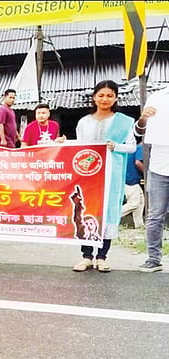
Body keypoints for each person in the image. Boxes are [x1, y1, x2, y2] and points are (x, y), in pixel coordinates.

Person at [71, 79, 136, 273]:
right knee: (87, 210)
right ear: (94, 98)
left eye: (109, 95)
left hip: (112, 174)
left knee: (107, 212)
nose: (105, 99)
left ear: (116, 98)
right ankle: (86, 256)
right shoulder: (84, 122)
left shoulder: (124, 122)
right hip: (88, 174)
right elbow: (79, 147)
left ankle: (102, 256)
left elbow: (132, 147)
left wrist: (116, 146)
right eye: (101, 95)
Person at [134, 84, 169, 272]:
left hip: (159, 165)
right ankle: (153, 259)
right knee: (155, 215)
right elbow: (138, 132)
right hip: (159, 166)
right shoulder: (157, 97)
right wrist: (143, 119)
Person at [121, 143, 144, 229]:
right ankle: (113, 217)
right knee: (133, 204)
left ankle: (139, 224)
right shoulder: (140, 148)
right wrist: (147, 174)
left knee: (141, 200)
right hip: (131, 180)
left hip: (127, 177)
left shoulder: (132, 147)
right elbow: (138, 163)